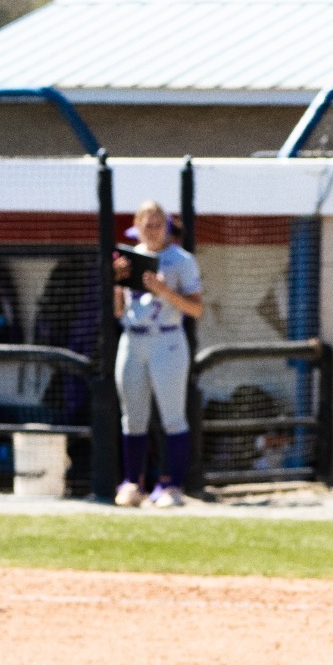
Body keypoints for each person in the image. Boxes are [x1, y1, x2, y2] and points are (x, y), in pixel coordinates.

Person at [113, 200, 203, 508]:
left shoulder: (181, 260)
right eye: (145, 224)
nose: (151, 230)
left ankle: (173, 485)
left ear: (166, 226)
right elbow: (119, 311)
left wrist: (164, 290)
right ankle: (131, 482)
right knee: (133, 417)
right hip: (133, 338)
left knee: (172, 416)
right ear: (136, 225)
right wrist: (117, 283)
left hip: (167, 339)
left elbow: (196, 308)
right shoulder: (129, 256)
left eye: (156, 224)